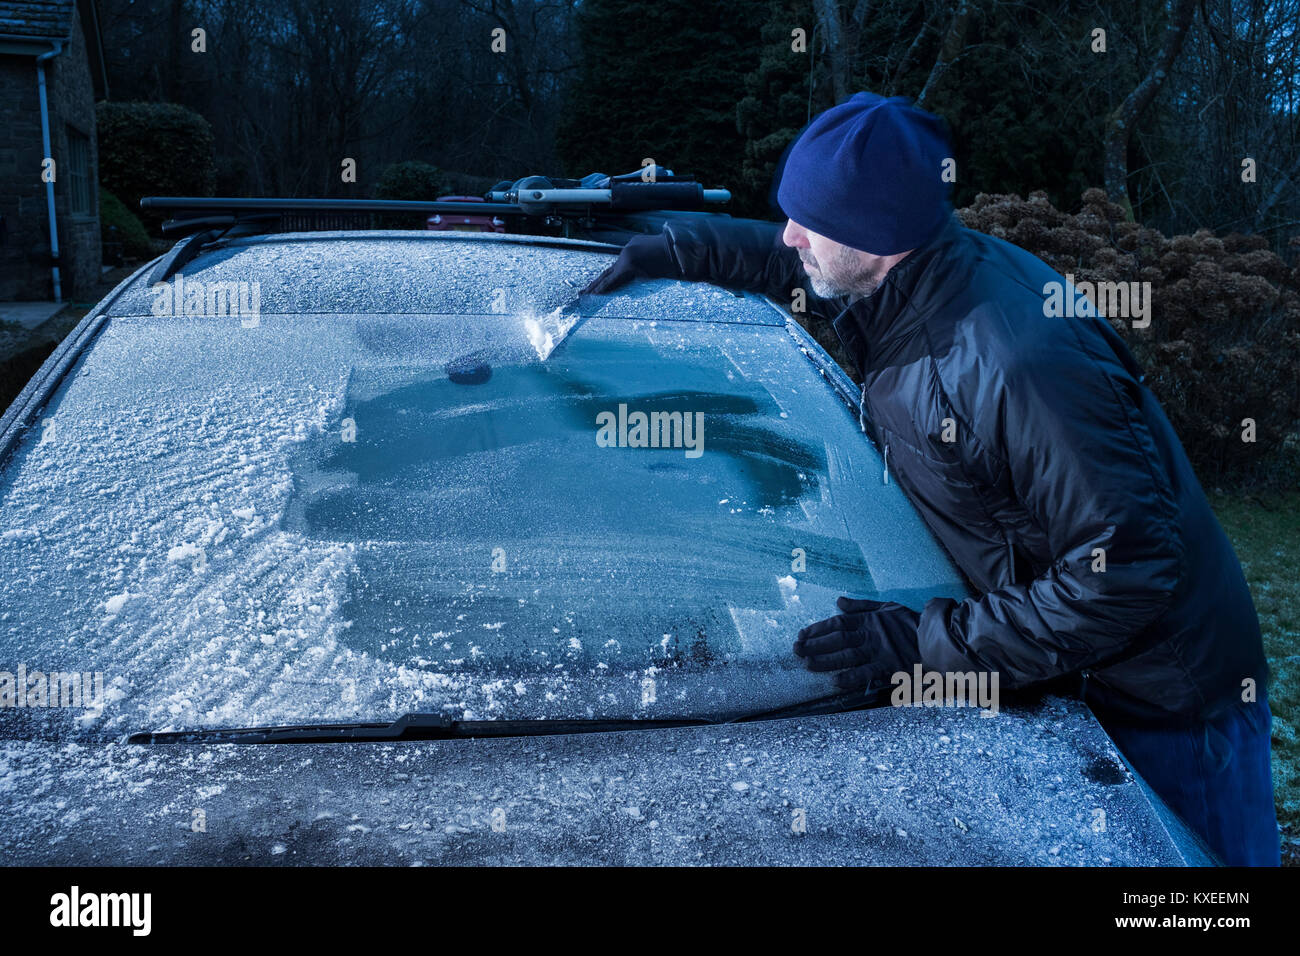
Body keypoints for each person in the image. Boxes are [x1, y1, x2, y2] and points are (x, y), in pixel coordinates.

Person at [581, 91, 1279, 866]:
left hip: (1168, 708)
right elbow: (798, 264)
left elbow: (1126, 573)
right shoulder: (906, 280)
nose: (790, 235)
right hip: (1062, 675)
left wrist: (921, 646)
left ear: (877, 236)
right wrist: (685, 249)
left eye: (807, 218)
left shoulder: (1016, 363)